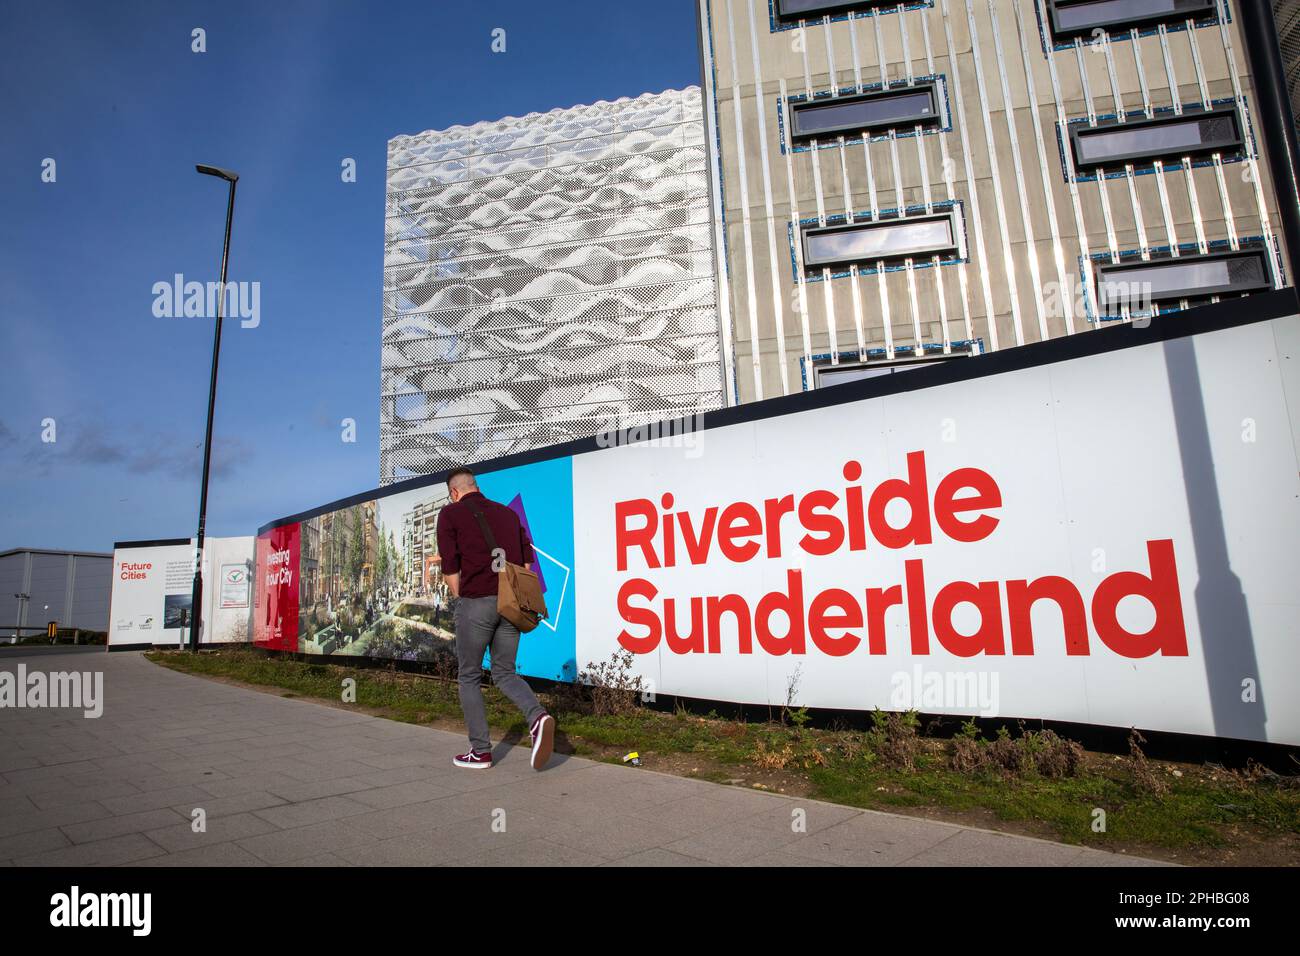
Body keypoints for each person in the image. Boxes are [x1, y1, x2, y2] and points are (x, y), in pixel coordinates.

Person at [435, 466, 555, 770]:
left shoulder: (450, 515)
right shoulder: (508, 515)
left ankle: (480, 751)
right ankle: (538, 717)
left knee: (469, 676)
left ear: (454, 493)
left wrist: (461, 599)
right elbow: (527, 561)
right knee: (504, 672)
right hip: (510, 604)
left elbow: (450, 566)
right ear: (475, 486)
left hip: (476, 602)